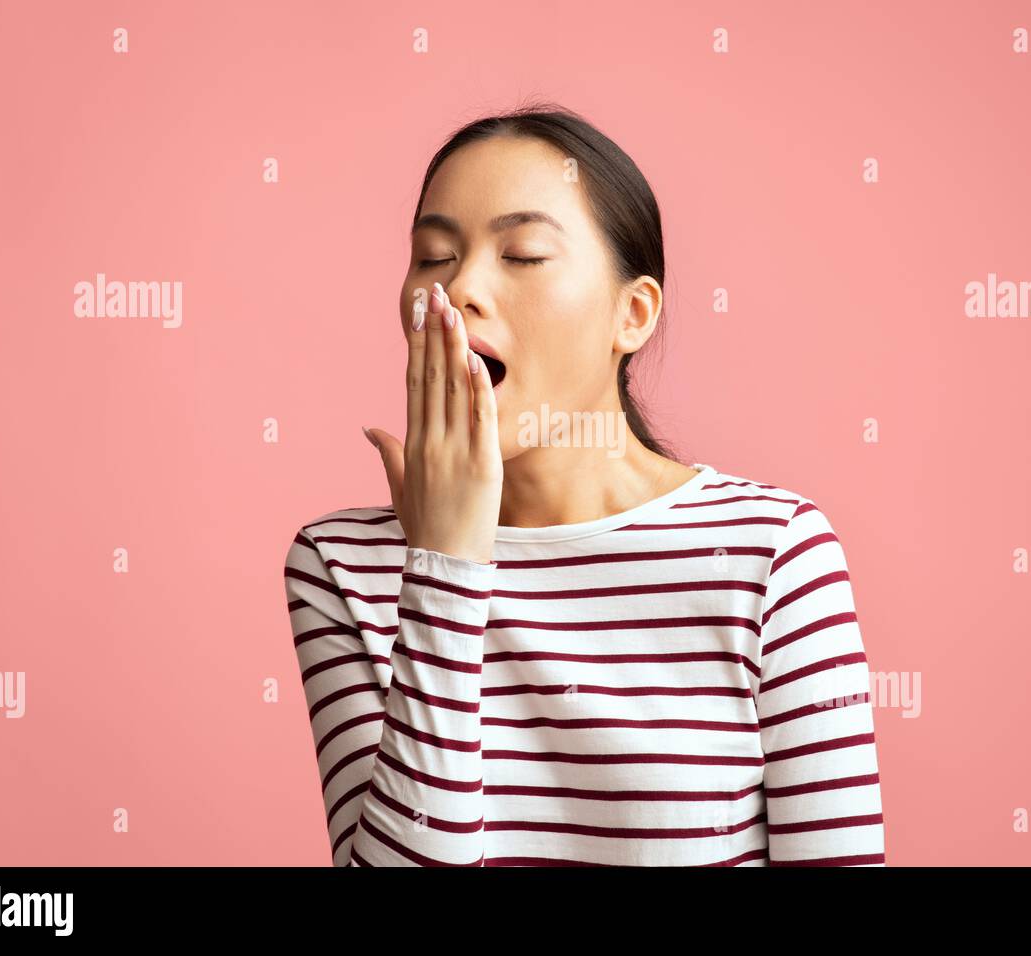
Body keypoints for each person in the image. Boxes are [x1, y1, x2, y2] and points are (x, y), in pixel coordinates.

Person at [283, 104, 885, 866]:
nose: (461, 287)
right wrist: (445, 566)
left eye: (524, 253)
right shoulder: (341, 566)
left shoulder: (771, 558)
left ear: (632, 315)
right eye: (434, 256)